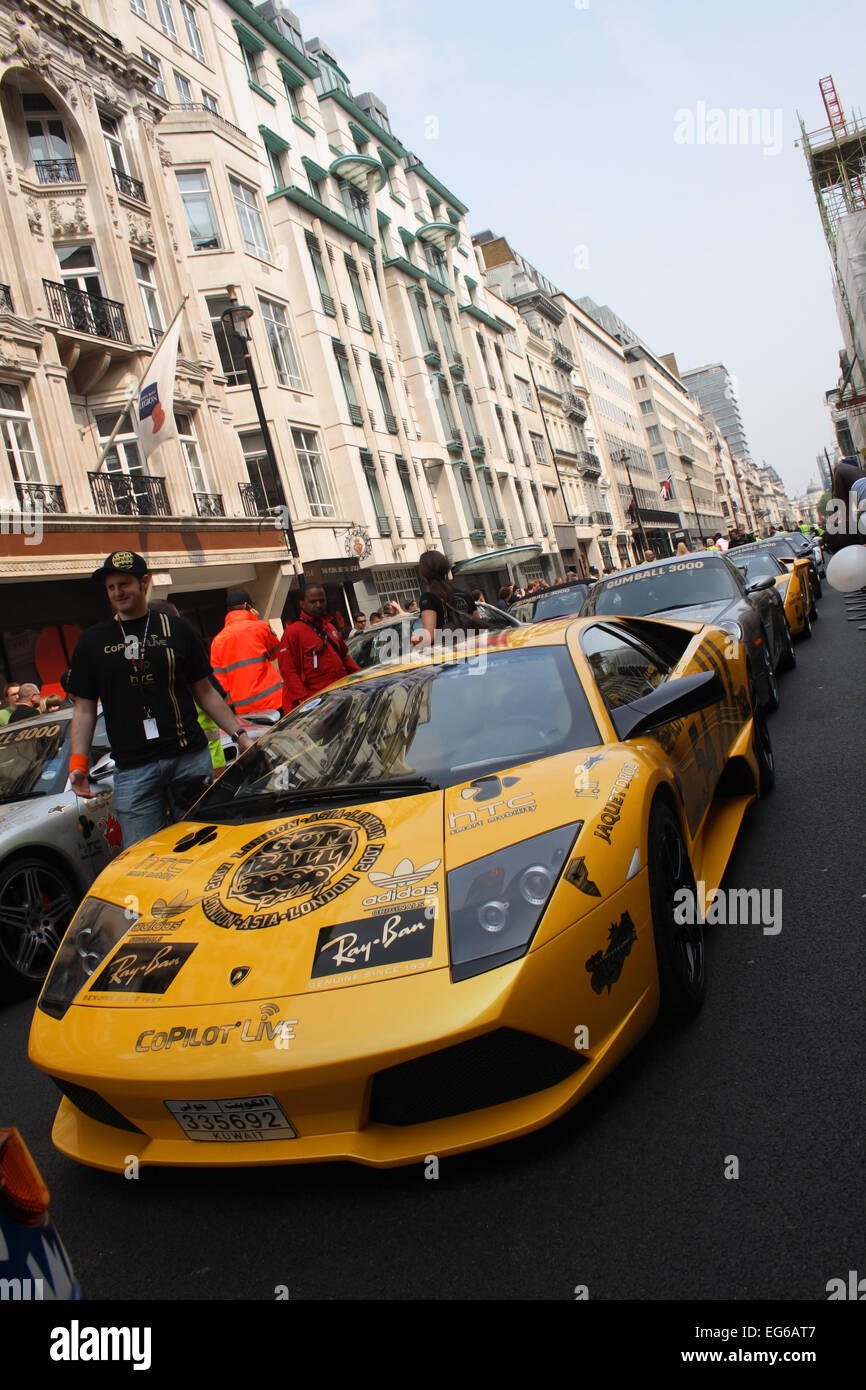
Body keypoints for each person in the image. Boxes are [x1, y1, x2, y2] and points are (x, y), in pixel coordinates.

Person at [68, 551, 252, 847]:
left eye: (124, 584)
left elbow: (204, 692)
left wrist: (240, 734)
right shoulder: (93, 642)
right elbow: (85, 709)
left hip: (188, 760)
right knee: (145, 858)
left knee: (205, 847)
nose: (117, 592)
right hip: (132, 769)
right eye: (111, 587)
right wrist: (78, 763)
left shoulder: (177, 630)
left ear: (144, 582)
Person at [277, 583, 361, 712]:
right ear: (302, 604)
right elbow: (289, 672)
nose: (318, 605)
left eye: (322, 600)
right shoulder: (293, 633)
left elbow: (345, 659)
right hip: (318, 706)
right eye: (313, 601)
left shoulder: (330, 628)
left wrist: (361, 677)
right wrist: (307, 703)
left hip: (343, 697)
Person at [210, 589, 282, 722]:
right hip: (273, 702)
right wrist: (256, 620)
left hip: (243, 710)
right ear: (246, 605)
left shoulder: (217, 641)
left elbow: (220, 681)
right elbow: (275, 653)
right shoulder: (260, 627)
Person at [413, 550, 485, 647]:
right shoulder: (465, 595)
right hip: (472, 649)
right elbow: (477, 623)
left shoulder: (428, 598)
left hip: (447, 655)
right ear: (445, 569)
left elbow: (429, 637)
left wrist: (414, 640)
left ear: (424, 574)